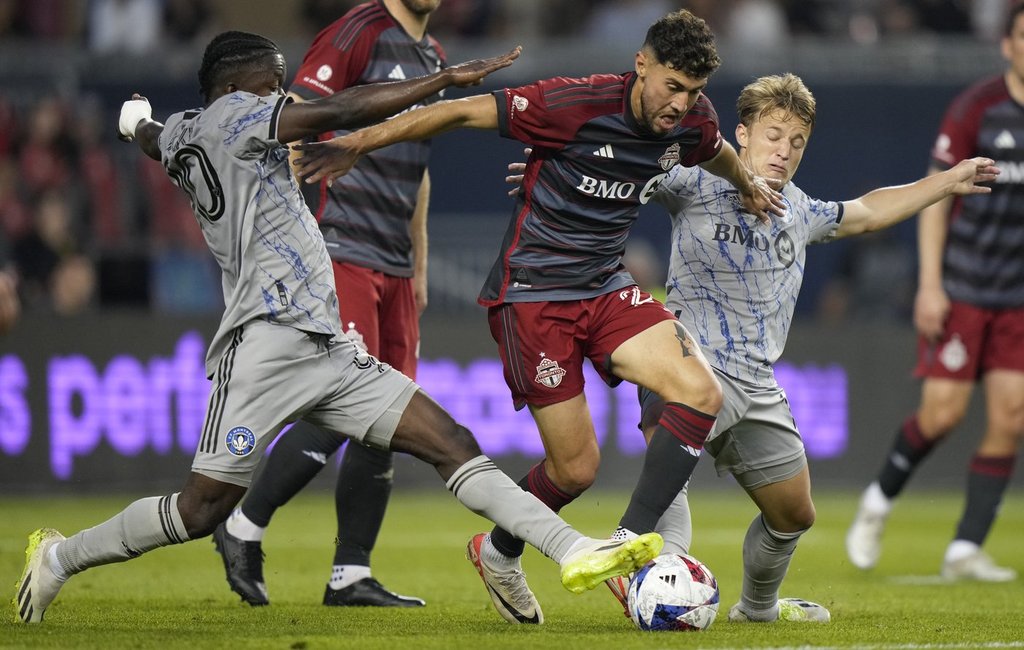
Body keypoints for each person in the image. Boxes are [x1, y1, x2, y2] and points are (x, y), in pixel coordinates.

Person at [12, 30, 664, 625]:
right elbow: (344, 112)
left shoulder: (184, 130)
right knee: (199, 509)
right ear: (238, 88)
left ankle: (573, 549)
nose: (284, 91)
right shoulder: (241, 115)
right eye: (273, 81)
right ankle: (60, 558)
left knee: (449, 440)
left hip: (327, 346)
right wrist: (442, 82)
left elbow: (155, 136)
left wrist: (134, 123)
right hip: (262, 348)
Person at [292, 9, 786, 625]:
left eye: (693, 92)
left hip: (605, 287)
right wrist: (356, 143)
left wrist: (745, 182)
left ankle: (625, 543)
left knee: (699, 391)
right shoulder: (570, 104)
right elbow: (453, 112)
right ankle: (498, 552)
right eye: (671, 86)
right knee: (575, 469)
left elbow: (713, 153)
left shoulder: (693, 121)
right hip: (533, 296)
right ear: (641, 65)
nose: (680, 104)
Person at [600, 73, 996, 624]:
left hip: (757, 385)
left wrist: (948, 181)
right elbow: (624, 170)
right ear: (742, 134)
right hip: (687, 367)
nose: (783, 152)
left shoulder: (801, 210)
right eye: (773, 136)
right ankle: (654, 581)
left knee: (793, 515)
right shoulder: (693, 181)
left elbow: (870, 210)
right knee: (668, 479)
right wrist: (559, 177)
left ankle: (757, 610)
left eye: (796, 142)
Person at [212, 0, 446, 609]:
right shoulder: (358, 32)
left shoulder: (431, 55)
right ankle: (243, 524)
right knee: (339, 399)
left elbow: (418, 168)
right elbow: (290, 123)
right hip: (340, 246)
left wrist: (418, 260)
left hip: (394, 261)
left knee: (387, 417)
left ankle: (350, 574)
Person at [846, 2, 1024, 583]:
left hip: (1018, 299)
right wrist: (929, 284)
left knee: (1011, 414)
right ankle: (877, 502)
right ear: (1007, 46)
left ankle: (965, 548)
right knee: (942, 414)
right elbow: (937, 194)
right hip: (967, 288)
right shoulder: (977, 108)